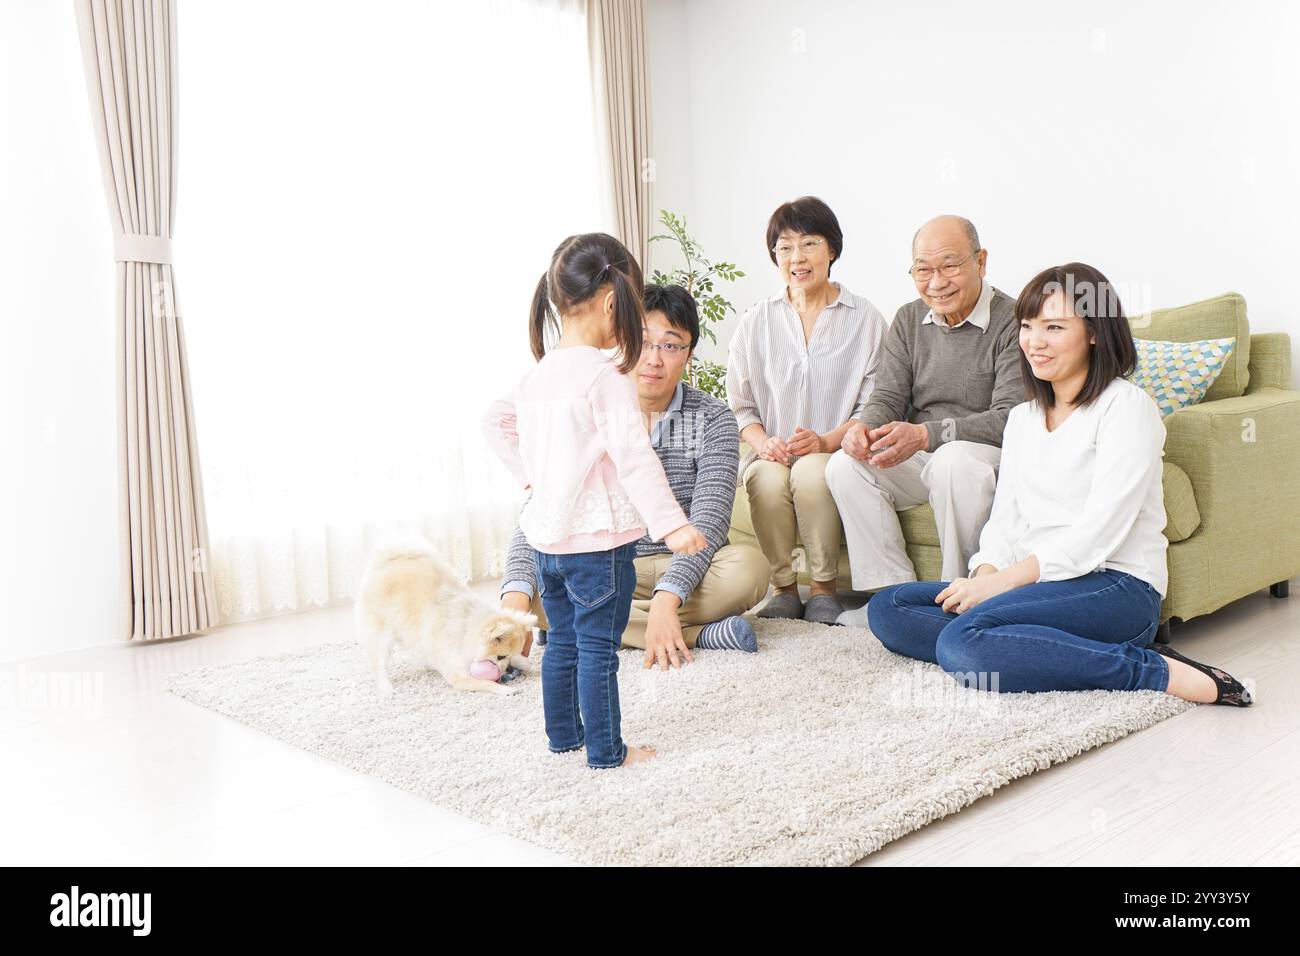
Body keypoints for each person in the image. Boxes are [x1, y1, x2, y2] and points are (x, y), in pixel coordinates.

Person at [866, 262, 1252, 706]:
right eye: (1027, 326)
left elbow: (1099, 533)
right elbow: (1005, 518)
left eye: (1053, 327)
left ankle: (1155, 670)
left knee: (962, 644)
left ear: (1093, 331)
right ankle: (1029, 640)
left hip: (1115, 586)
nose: (1034, 341)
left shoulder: (1126, 408)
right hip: (1037, 587)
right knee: (890, 609)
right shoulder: (1022, 418)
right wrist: (987, 573)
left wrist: (1003, 585)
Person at [481, 233, 708, 771]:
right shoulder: (605, 378)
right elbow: (634, 458)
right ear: (612, 303)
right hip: (599, 547)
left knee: (562, 643)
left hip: (548, 544)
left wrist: (530, 479)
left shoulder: (536, 377)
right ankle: (608, 753)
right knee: (598, 652)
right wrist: (673, 526)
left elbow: (494, 422)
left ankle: (564, 738)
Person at [498, 283, 770, 668]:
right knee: (539, 584)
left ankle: (581, 626)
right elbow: (543, 507)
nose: (654, 359)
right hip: (601, 563)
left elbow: (709, 520)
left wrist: (667, 597)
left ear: (689, 353)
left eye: (671, 345)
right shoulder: (589, 404)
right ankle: (699, 634)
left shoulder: (714, 418)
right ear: (622, 341)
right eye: (642, 342)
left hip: (686, 566)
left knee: (751, 569)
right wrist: (514, 600)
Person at [827, 215, 1022, 628]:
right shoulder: (908, 320)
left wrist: (926, 434)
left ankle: (961, 597)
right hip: (925, 451)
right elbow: (887, 396)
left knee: (954, 461)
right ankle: (892, 599)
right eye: (923, 269)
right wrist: (865, 429)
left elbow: (1010, 419)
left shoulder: (1014, 319)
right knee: (846, 465)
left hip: (987, 456)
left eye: (950, 265)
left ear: (981, 262)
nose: (936, 281)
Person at [725, 196, 886, 624]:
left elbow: (876, 401)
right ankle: (783, 588)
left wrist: (825, 440)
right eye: (784, 247)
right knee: (763, 476)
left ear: (831, 249)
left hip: (835, 451)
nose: (797, 257)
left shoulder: (866, 319)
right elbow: (740, 405)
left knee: (813, 472)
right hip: (774, 450)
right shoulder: (755, 321)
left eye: (809, 243)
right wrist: (764, 443)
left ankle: (823, 589)